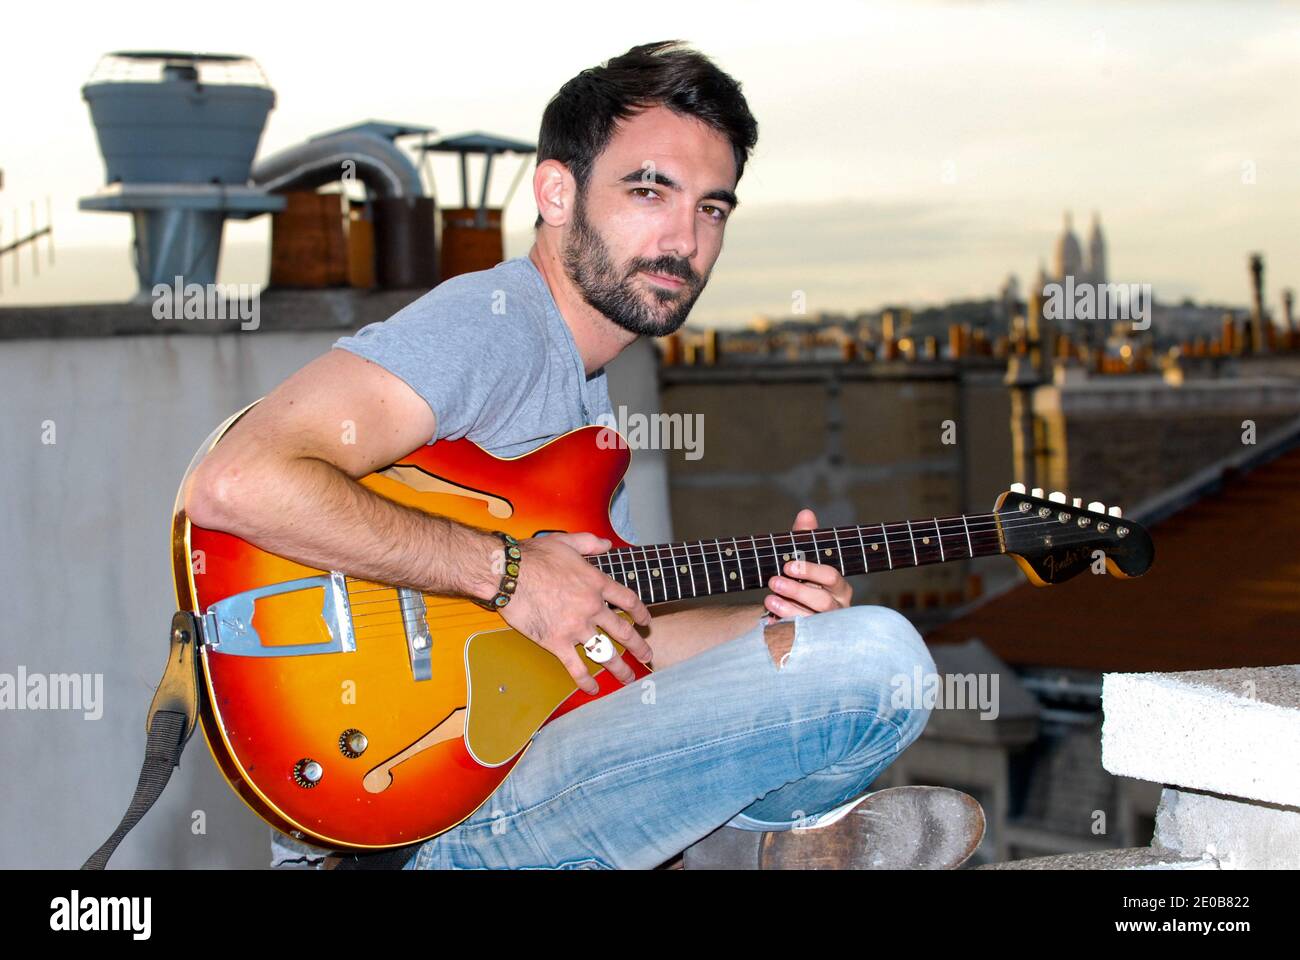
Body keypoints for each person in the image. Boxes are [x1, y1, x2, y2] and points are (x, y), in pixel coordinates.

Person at [185, 39, 937, 870]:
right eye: (650, 190)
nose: (684, 239)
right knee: (884, 661)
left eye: (712, 208)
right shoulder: (495, 324)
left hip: (508, 784)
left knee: (838, 650)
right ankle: (785, 833)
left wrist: (772, 629)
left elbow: (612, 648)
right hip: (407, 828)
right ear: (556, 191)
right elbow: (236, 481)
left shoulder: (582, 409)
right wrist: (508, 572)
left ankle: (786, 835)